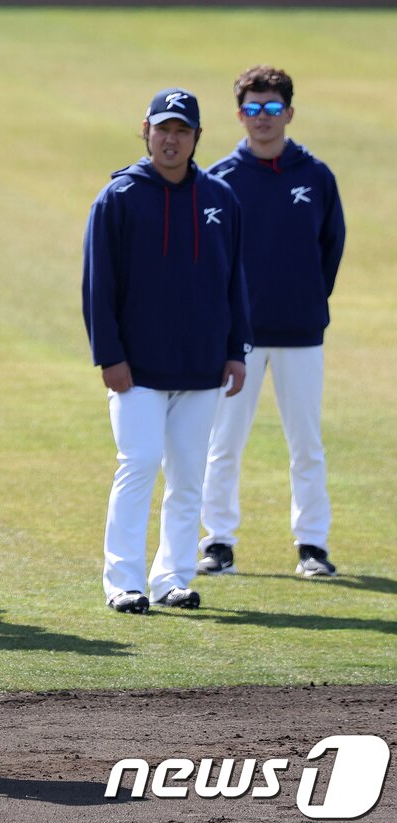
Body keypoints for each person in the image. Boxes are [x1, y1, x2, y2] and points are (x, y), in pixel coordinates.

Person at [82, 88, 251, 615]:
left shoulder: (221, 198)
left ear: (197, 136)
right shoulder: (119, 198)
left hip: (203, 366)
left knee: (187, 476)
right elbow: (98, 285)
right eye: (163, 129)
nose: (171, 139)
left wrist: (237, 350)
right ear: (146, 131)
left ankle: (171, 579)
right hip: (136, 369)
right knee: (139, 464)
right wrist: (109, 355)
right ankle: (123, 582)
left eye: (182, 130)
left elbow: (235, 281)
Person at [199, 66, 345, 579]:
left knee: (306, 443)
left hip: (300, 333)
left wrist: (305, 300)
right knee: (224, 442)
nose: (263, 117)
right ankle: (218, 542)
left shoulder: (316, 176)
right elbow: (209, 258)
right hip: (237, 339)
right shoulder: (220, 179)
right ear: (240, 115)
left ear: (289, 112)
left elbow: (330, 248)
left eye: (273, 108)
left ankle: (313, 545)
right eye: (253, 109)